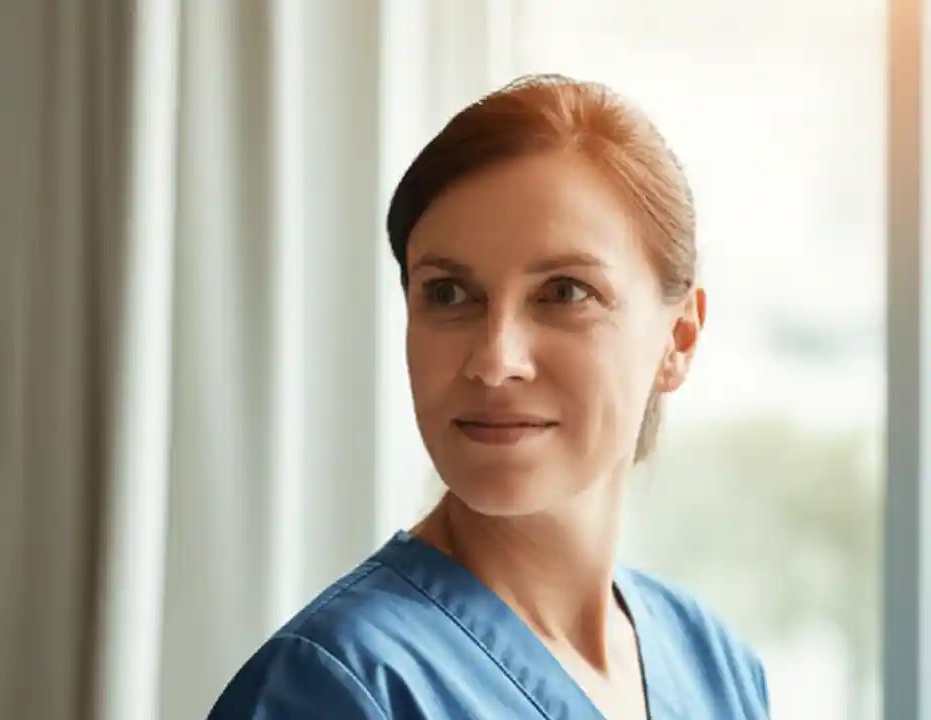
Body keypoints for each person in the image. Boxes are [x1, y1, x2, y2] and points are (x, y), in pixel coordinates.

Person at [208, 74, 769, 720]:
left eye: (565, 292)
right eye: (448, 294)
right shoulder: (337, 689)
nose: (495, 361)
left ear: (680, 336)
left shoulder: (716, 668)